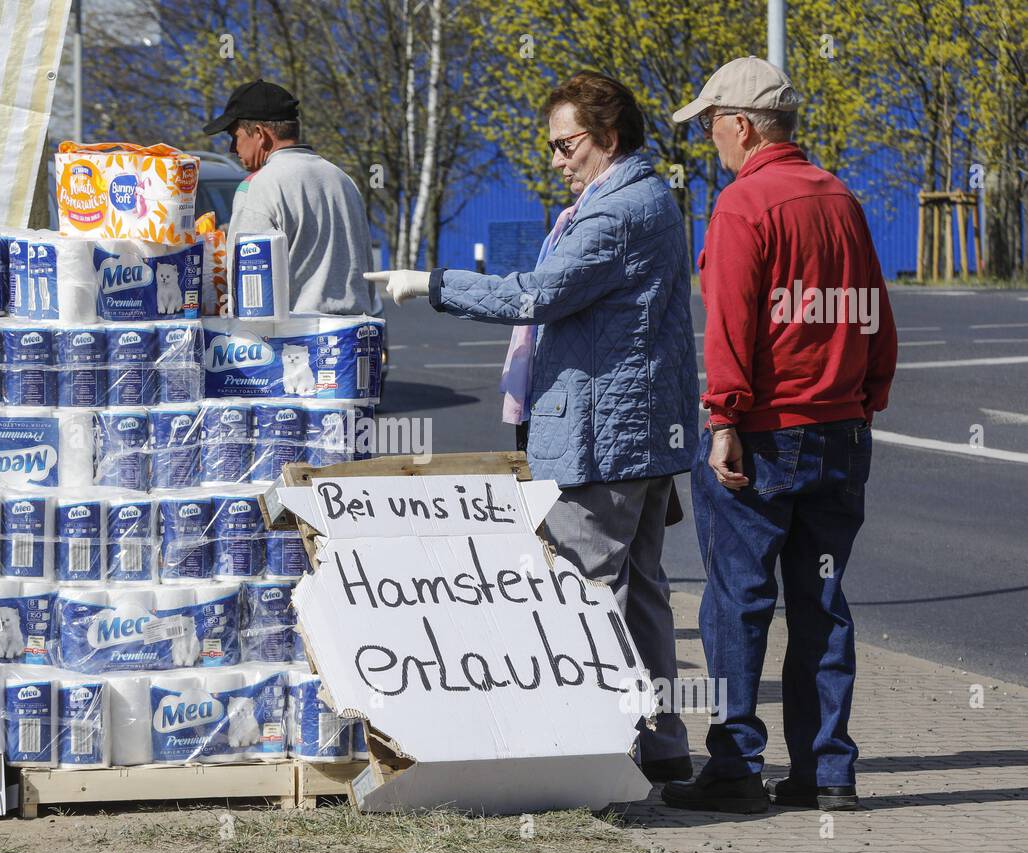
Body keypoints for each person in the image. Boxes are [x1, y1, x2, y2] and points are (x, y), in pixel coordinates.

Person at [366, 72, 699, 783]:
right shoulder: (640, 198)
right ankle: (662, 745)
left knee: (586, 594)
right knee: (641, 593)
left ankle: (595, 754)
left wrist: (433, 285)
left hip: (601, 438)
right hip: (632, 433)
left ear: (607, 138)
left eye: (565, 145)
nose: (555, 160)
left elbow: (539, 294)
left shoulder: (616, 213)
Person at [661, 57, 898, 814]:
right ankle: (827, 770)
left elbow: (730, 326)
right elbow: (876, 318)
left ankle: (734, 766)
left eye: (709, 126)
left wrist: (724, 417)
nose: (709, 140)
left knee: (738, 601)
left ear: (741, 125)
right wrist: (865, 399)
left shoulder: (743, 205)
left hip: (764, 435)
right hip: (840, 431)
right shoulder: (841, 199)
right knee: (821, 599)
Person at [203, 78, 377, 316]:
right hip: (354, 335)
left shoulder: (260, 185)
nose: (233, 149)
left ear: (260, 134)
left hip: (297, 339)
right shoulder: (343, 179)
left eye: (235, 136)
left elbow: (246, 285)